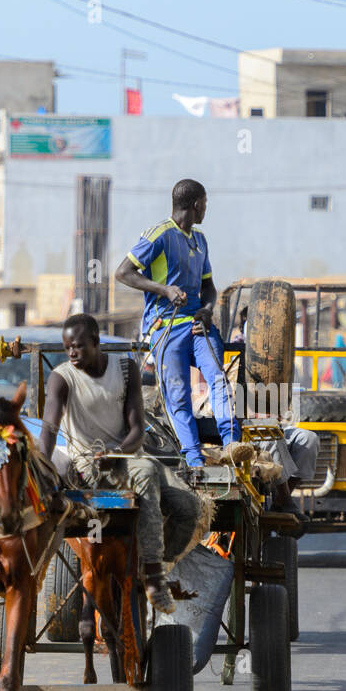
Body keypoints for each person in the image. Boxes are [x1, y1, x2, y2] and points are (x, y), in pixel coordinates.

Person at [38, 313, 202, 614]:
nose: (72, 353)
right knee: (148, 472)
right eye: (67, 348)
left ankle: (155, 563)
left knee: (189, 507)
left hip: (125, 457)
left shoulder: (126, 370)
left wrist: (116, 451)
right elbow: (49, 427)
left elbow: (138, 429)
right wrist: (39, 466)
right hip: (89, 466)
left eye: (78, 346)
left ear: (96, 343)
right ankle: (154, 580)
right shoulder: (62, 377)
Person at [114, 178, 239, 471]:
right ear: (196, 204)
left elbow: (209, 288)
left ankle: (232, 445)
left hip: (197, 326)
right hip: (166, 328)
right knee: (178, 394)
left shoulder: (200, 240)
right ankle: (194, 460)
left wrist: (207, 310)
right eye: (205, 204)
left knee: (217, 378)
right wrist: (164, 290)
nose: (205, 210)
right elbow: (123, 273)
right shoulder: (159, 235)